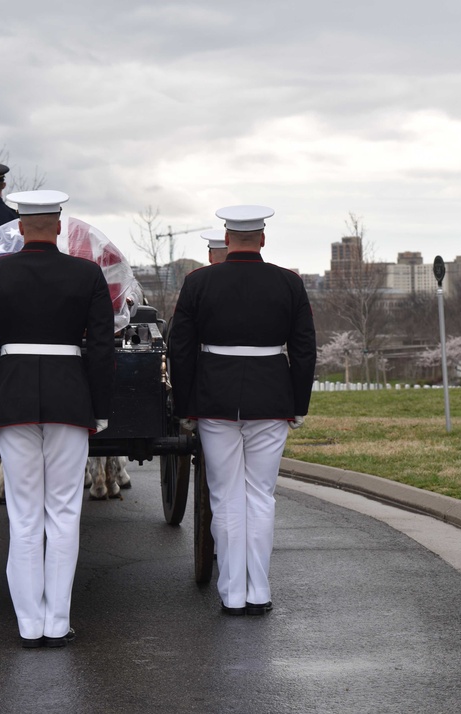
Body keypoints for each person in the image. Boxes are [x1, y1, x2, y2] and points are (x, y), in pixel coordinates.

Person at [0, 189, 115, 648]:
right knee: (64, 513)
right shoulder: (87, 274)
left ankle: (29, 624)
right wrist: (100, 408)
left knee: (24, 515)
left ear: (21, 227)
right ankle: (57, 621)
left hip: (12, 400)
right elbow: (102, 348)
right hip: (71, 399)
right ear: (60, 225)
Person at [169, 205, 316, 616]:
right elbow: (304, 349)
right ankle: (259, 592)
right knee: (260, 496)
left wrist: (186, 404)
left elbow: (181, 348)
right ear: (263, 239)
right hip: (271, 398)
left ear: (227, 239)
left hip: (215, 398)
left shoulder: (198, 282)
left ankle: (232, 593)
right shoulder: (289, 283)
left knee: (226, 496)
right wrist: (298, 404)